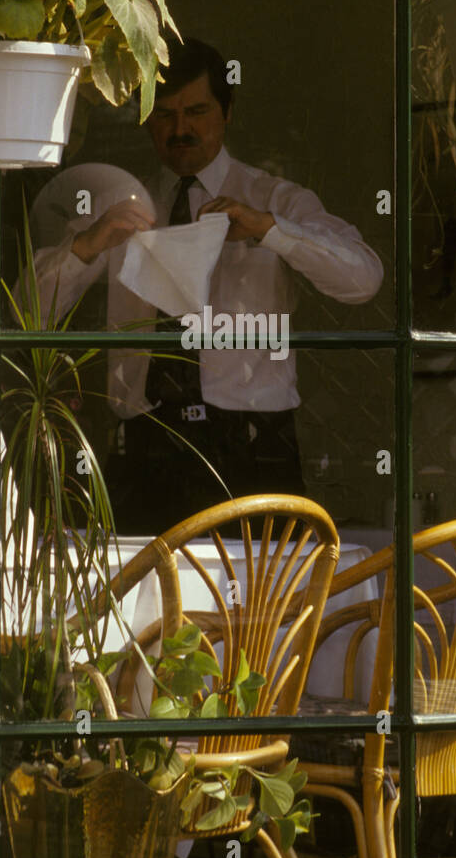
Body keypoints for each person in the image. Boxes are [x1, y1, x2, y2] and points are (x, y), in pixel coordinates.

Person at [31, 37, 384, 534]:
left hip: (252, 449)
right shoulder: (123, 206)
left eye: (196, 111)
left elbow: (364, 279)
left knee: (265, 605)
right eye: (165, 115)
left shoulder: (273, 198)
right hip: (144, 446)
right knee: (139, 603)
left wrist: (270, 231)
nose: (180, 130)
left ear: (227, 111)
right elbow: (29, 312)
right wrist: (88, 245)